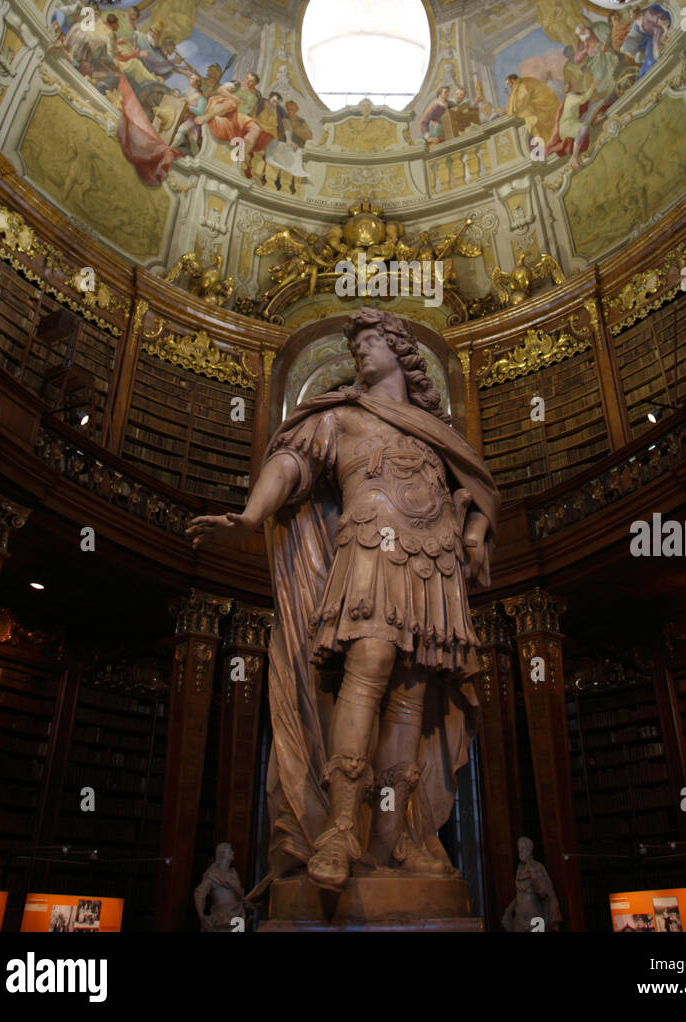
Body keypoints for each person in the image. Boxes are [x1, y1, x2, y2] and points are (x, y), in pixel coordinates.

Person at [187, 308, 499, 896]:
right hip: (370, 551)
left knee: (411, 694)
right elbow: (291, 461)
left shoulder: (438, 431)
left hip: (434, 563)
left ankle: (387, 838)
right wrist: (252, 514)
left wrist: (476, 536)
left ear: (399, 349)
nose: (360, 352)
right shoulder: (340, 415)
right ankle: (337, 830)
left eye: (370, 341)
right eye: (354, 345)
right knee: (368, 668)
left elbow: (479, 491)